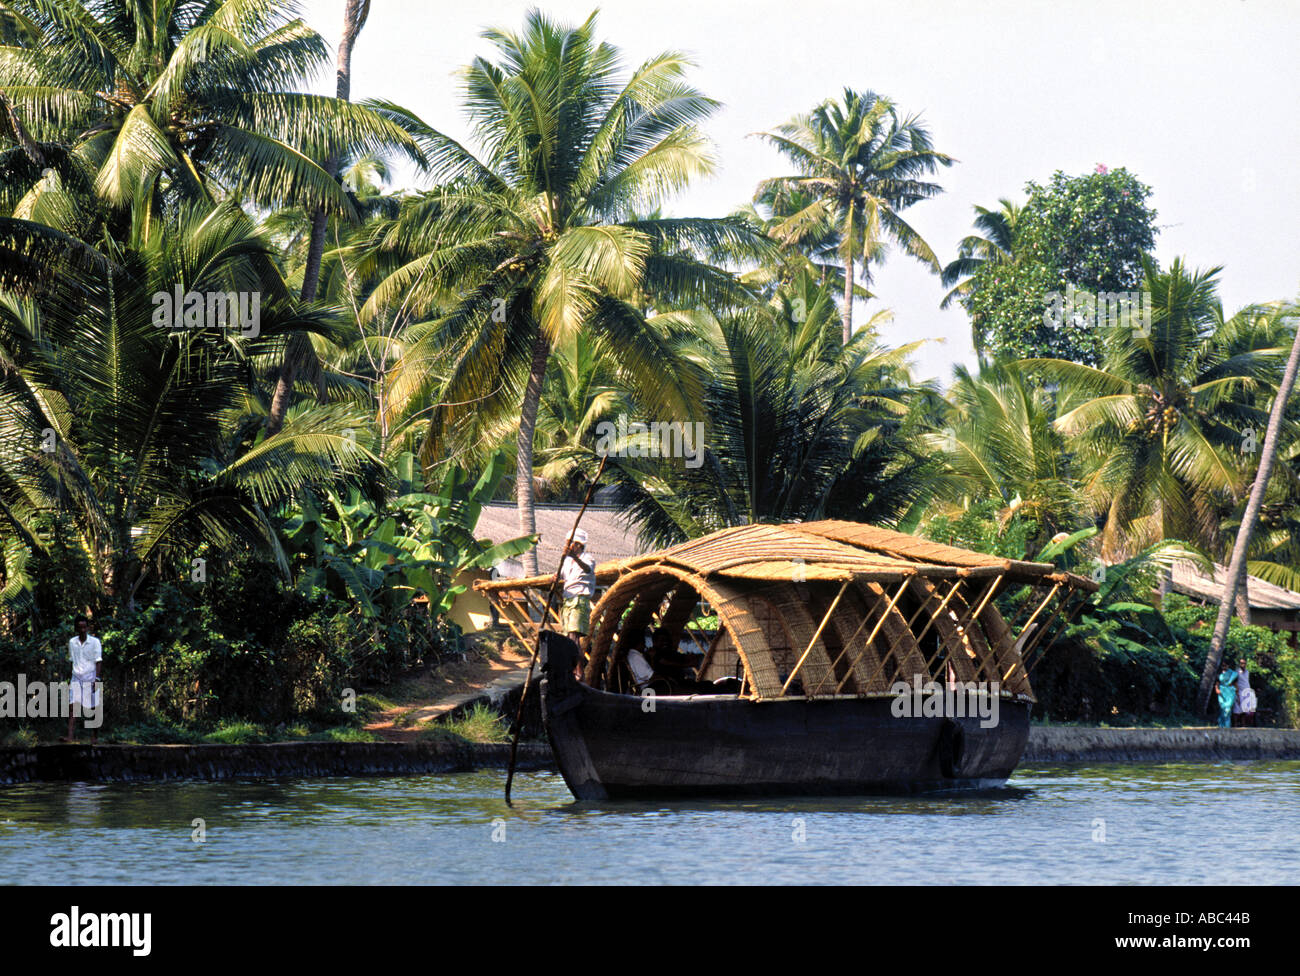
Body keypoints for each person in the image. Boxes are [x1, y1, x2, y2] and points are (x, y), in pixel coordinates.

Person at [557, 528, 595, 677]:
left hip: (579, 599)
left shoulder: (587, 559)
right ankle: (571, 670)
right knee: (568, 638)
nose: (570, 546)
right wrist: (554, 577)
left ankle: (579, 672)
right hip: (568, 600)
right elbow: (560, 575)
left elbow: (587, 569)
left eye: (573, 543)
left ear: (579, 545)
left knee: (574, 637)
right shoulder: (566, 561)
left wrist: (575, 557)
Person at [66, 615, 103, 744]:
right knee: (73, 706)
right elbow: (72, 660)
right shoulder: (72, 642)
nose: (82, 630)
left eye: (84, 627)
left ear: (87, 627)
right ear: (76, 628)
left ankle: (94, 736)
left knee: (93, 708)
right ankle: (70, 736)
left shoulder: (95, 642)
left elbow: (98, 662)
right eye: (79, 627)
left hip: (91, 677)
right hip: (76, 677)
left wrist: (96, 679)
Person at [1234, 657, 1257, 727]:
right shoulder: (1236, 672)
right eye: (1241, 663)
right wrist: (1237, 692)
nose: (1243, 665)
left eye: (1244, 663)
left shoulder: (1247, 672)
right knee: (1237, 709)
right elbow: (1234, 682)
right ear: (1239, 664)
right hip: (1239, 691)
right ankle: (1235, 724)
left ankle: (1243, 724)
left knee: (1245, 709)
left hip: (1247, 692)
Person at [1216, 660, 1238, 729]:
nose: (1224, 667)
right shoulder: (1219, 673)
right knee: (1222, 708)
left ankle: (1227, 726)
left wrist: (1238, 694)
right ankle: (1221, 725)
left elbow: (1235, 684)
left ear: (1228, 666)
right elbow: (1217, 683)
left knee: (1228, 709)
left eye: (1225, 665)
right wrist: (1217, 689)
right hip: (1222, 692)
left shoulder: (1232, 674)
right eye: (1223, 666)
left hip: (1230, 693)